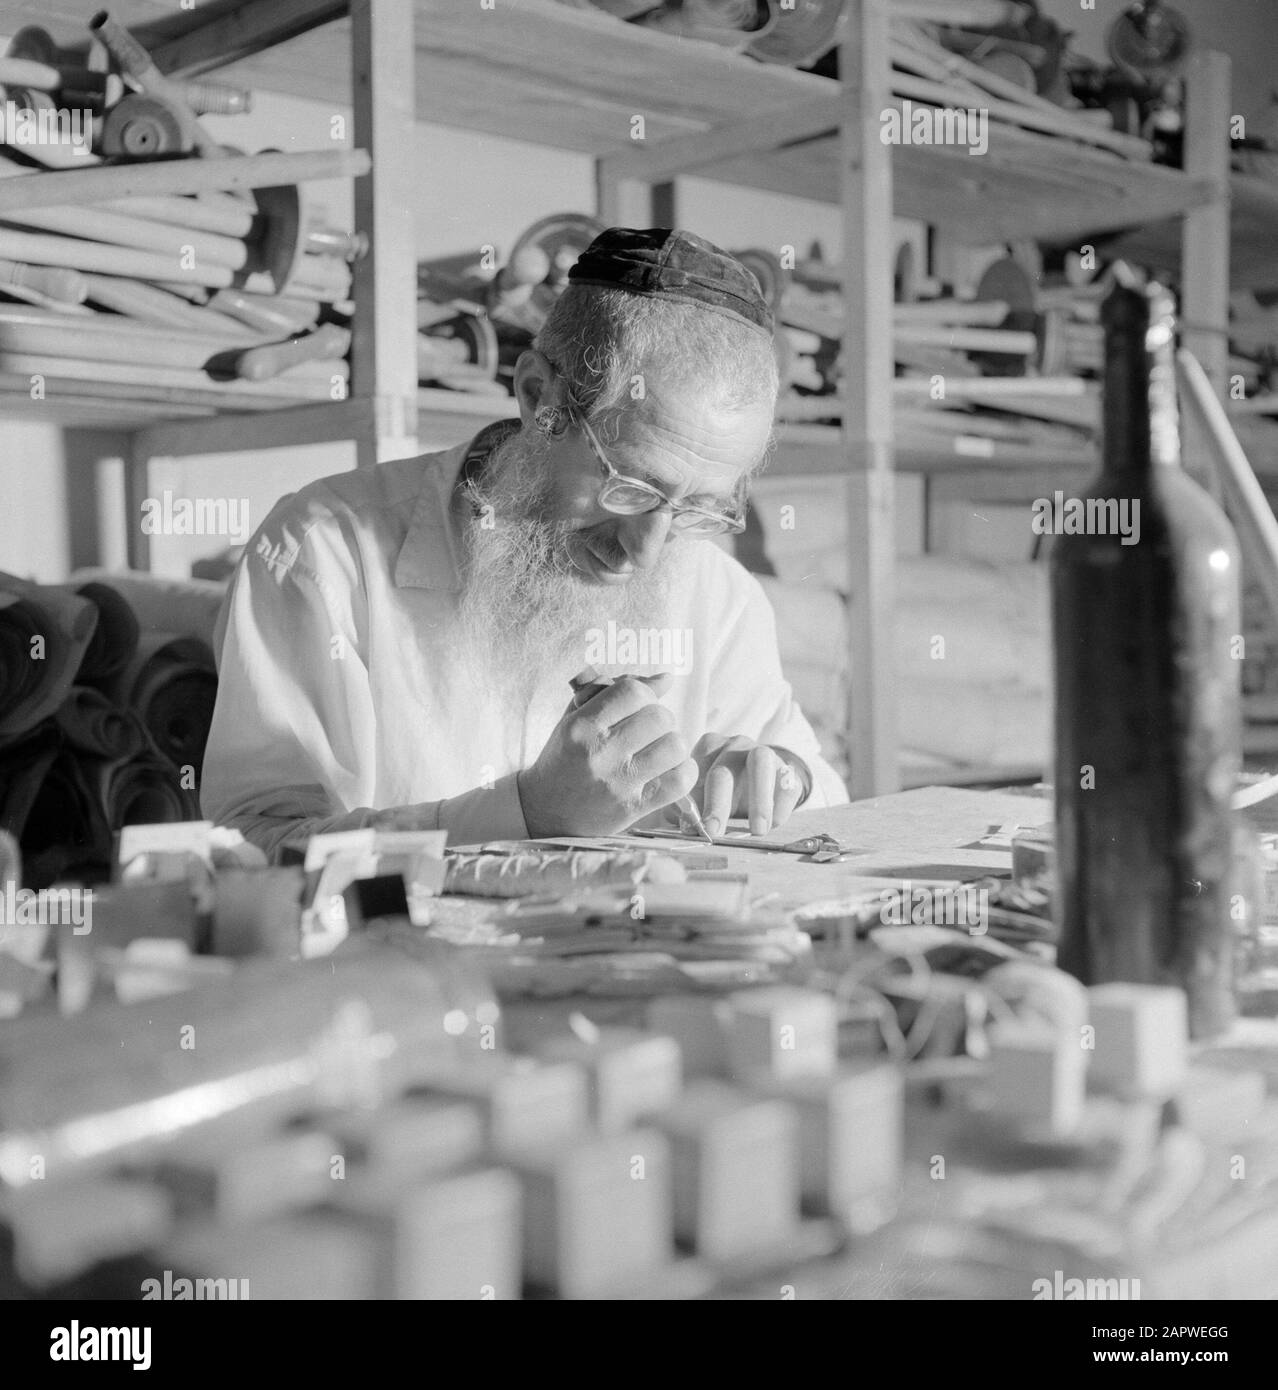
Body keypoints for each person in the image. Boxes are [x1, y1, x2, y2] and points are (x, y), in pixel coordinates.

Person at [201, 228, 847, 860]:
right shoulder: (325, 554)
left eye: (700, 508)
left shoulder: (719, 594)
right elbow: (254, 848)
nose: (647, 551)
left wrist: (778, 778)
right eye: (630, 487)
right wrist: (529, 814)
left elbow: (824, 792)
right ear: (540, 398)